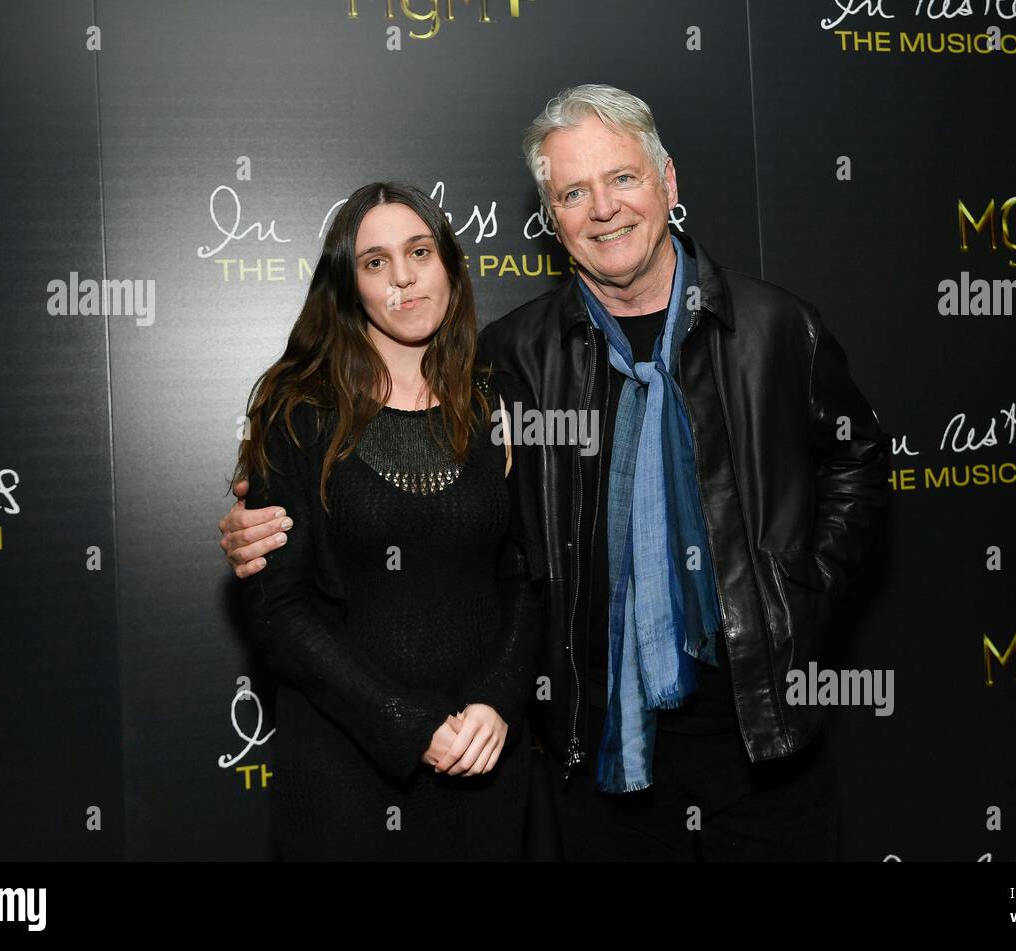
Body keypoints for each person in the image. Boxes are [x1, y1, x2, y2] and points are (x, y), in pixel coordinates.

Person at [222, 85, 891, 861]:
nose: (603, 208)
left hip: (765, 737)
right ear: (552, 217)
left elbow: (859, 456)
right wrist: (256, 521)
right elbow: (485, 539)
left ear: (668, 184)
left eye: (623, 179)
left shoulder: (776, 328)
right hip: (600, 751)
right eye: (574, 192)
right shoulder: (512, 361)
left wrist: (801, 587)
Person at [229, 180, 547, 860]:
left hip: (483, 757)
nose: (403, 277)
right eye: (375, 262)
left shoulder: (499, 398)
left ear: (450, 267)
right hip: (343, 768)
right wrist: (408, 725)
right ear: (348, 286)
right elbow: (279, 610)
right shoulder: (297, 411)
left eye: (420, 251)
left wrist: (496, 703)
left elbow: (525, 573)